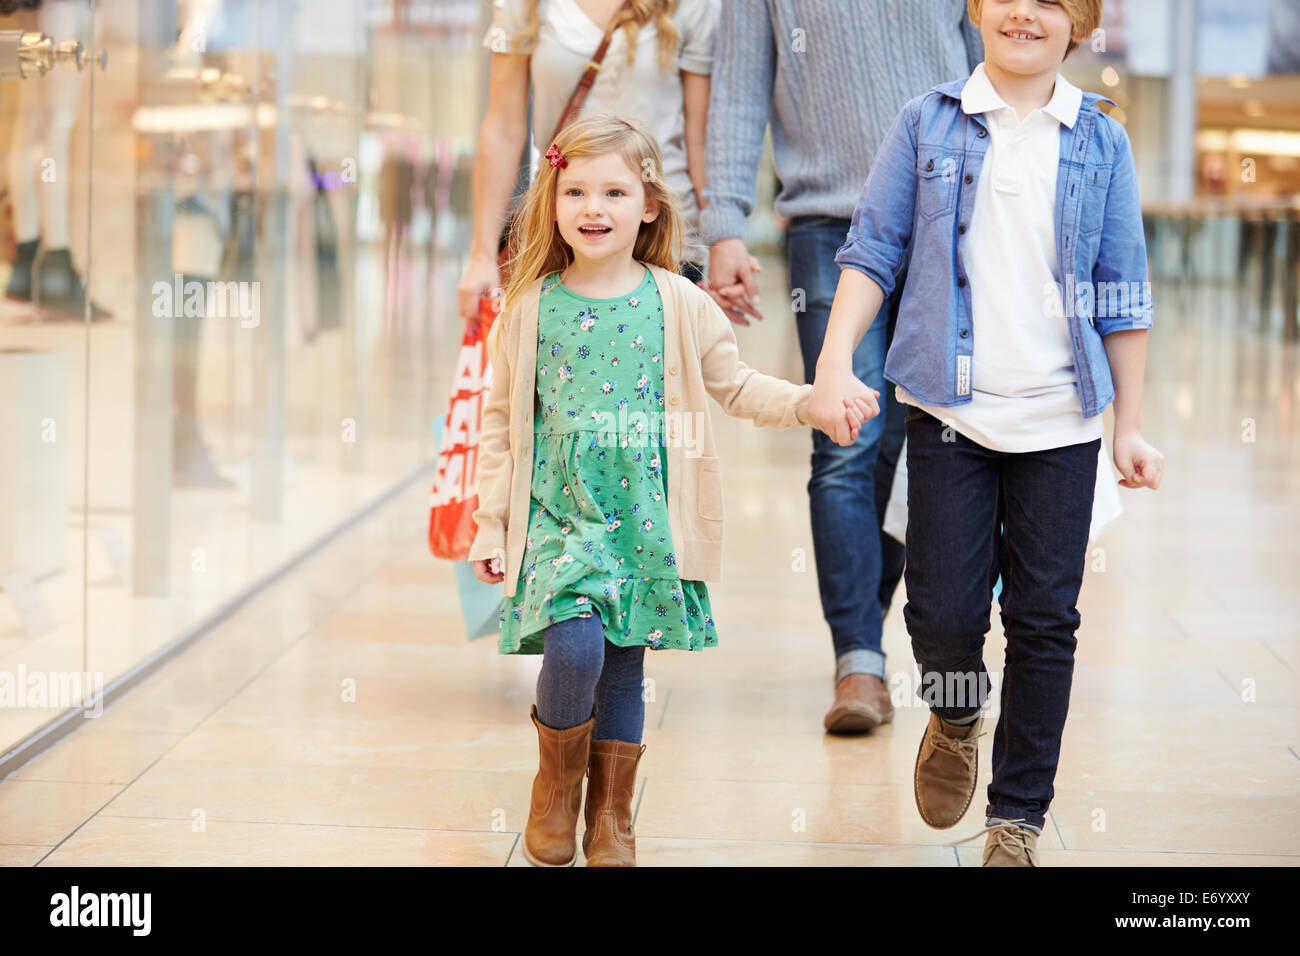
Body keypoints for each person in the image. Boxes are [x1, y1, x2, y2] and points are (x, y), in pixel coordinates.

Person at [808, 0, 1165, 866]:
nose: (1025, 13)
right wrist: (833, 363)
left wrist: (1131, 427)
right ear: (974, 9)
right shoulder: (927, 121)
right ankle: (958, 710)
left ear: (1080, 24)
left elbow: (1122, 291)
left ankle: (1017, 819)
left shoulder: (1100, 140)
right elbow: (873, 248)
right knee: (942, 610)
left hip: (1060, 423)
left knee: (1047, 620)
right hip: (951, 413)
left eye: (1053, 2)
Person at [468, 114, 868, 867]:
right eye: (577, 190)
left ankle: (612, 814)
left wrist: (810, 401)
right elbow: (500, 425)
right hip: (559, 514)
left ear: (649, 204)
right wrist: (490, 524)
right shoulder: (529, 308)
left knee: (624, 663)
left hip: (644, 519)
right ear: (552, 201)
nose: (594, 208)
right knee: (577, 644)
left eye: (614, 191)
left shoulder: (678, 302)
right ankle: (556, 785)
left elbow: (736, 385)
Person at [701, 0, 983, 735]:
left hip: (951, 213)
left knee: (914, 443)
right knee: (845, 438)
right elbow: (736, 87)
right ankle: (857, 659)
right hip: (830, 220)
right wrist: (725, 222)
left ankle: (878, 634)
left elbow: (993, 61)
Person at [456, 0, 721, 324]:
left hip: (662, 239)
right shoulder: (522, 6)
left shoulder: (691, 6)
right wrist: (482, 256)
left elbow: (700, 138)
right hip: (562, 239)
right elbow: (503, 129)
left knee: (661, 371)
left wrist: (723, 239)